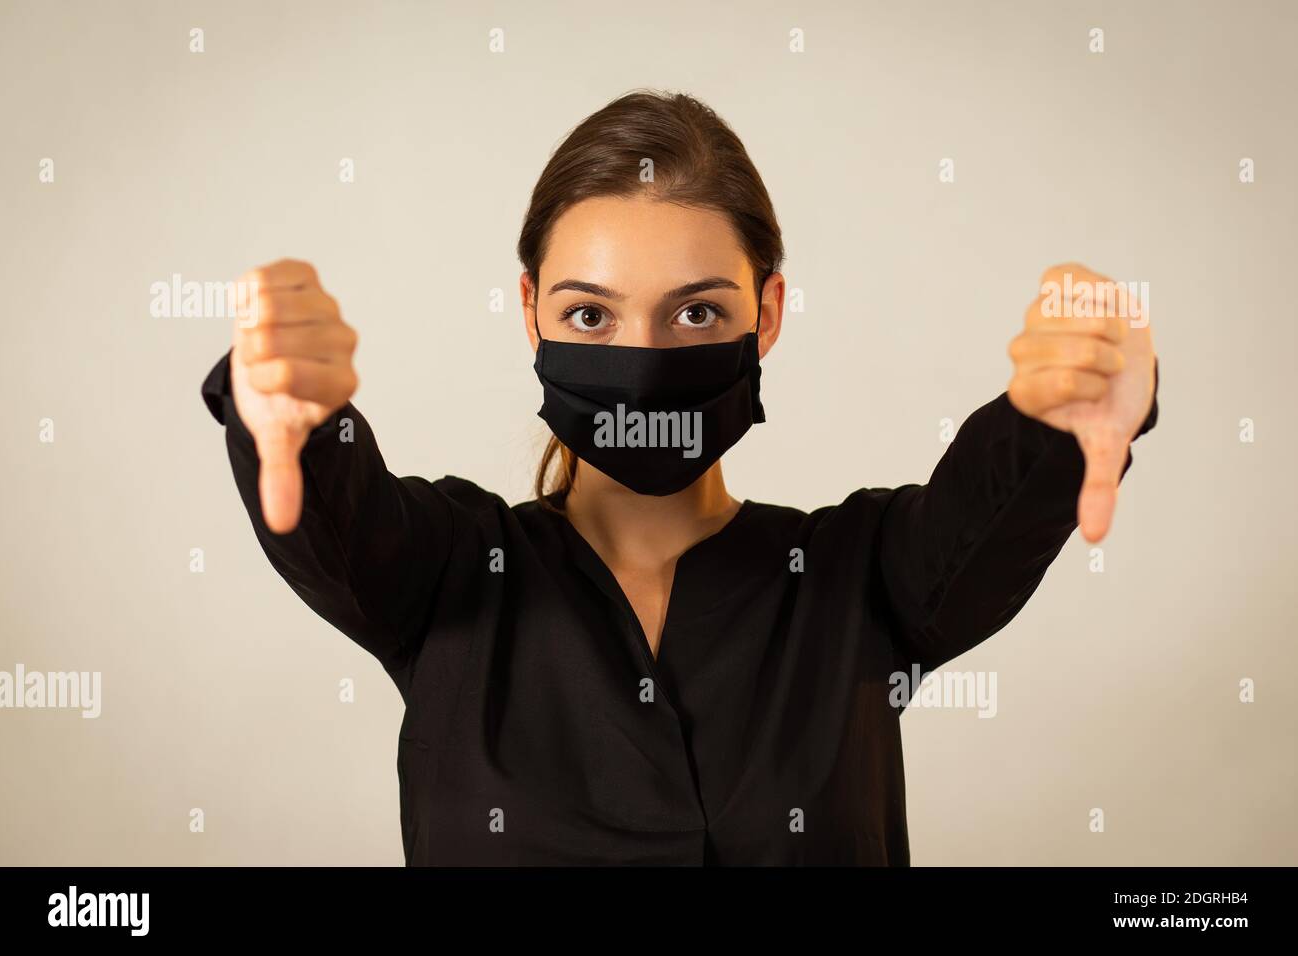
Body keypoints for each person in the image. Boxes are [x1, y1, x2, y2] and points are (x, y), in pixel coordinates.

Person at [200, 90, 1159, 865]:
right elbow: (336, 509)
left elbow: (994, 499)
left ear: (768, 313)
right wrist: (295, 409)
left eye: (697, 314)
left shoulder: (863, 580)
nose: (645, 358)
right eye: (591, 316)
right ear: (530, 309)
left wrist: (1071, 393)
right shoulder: (447, 573)